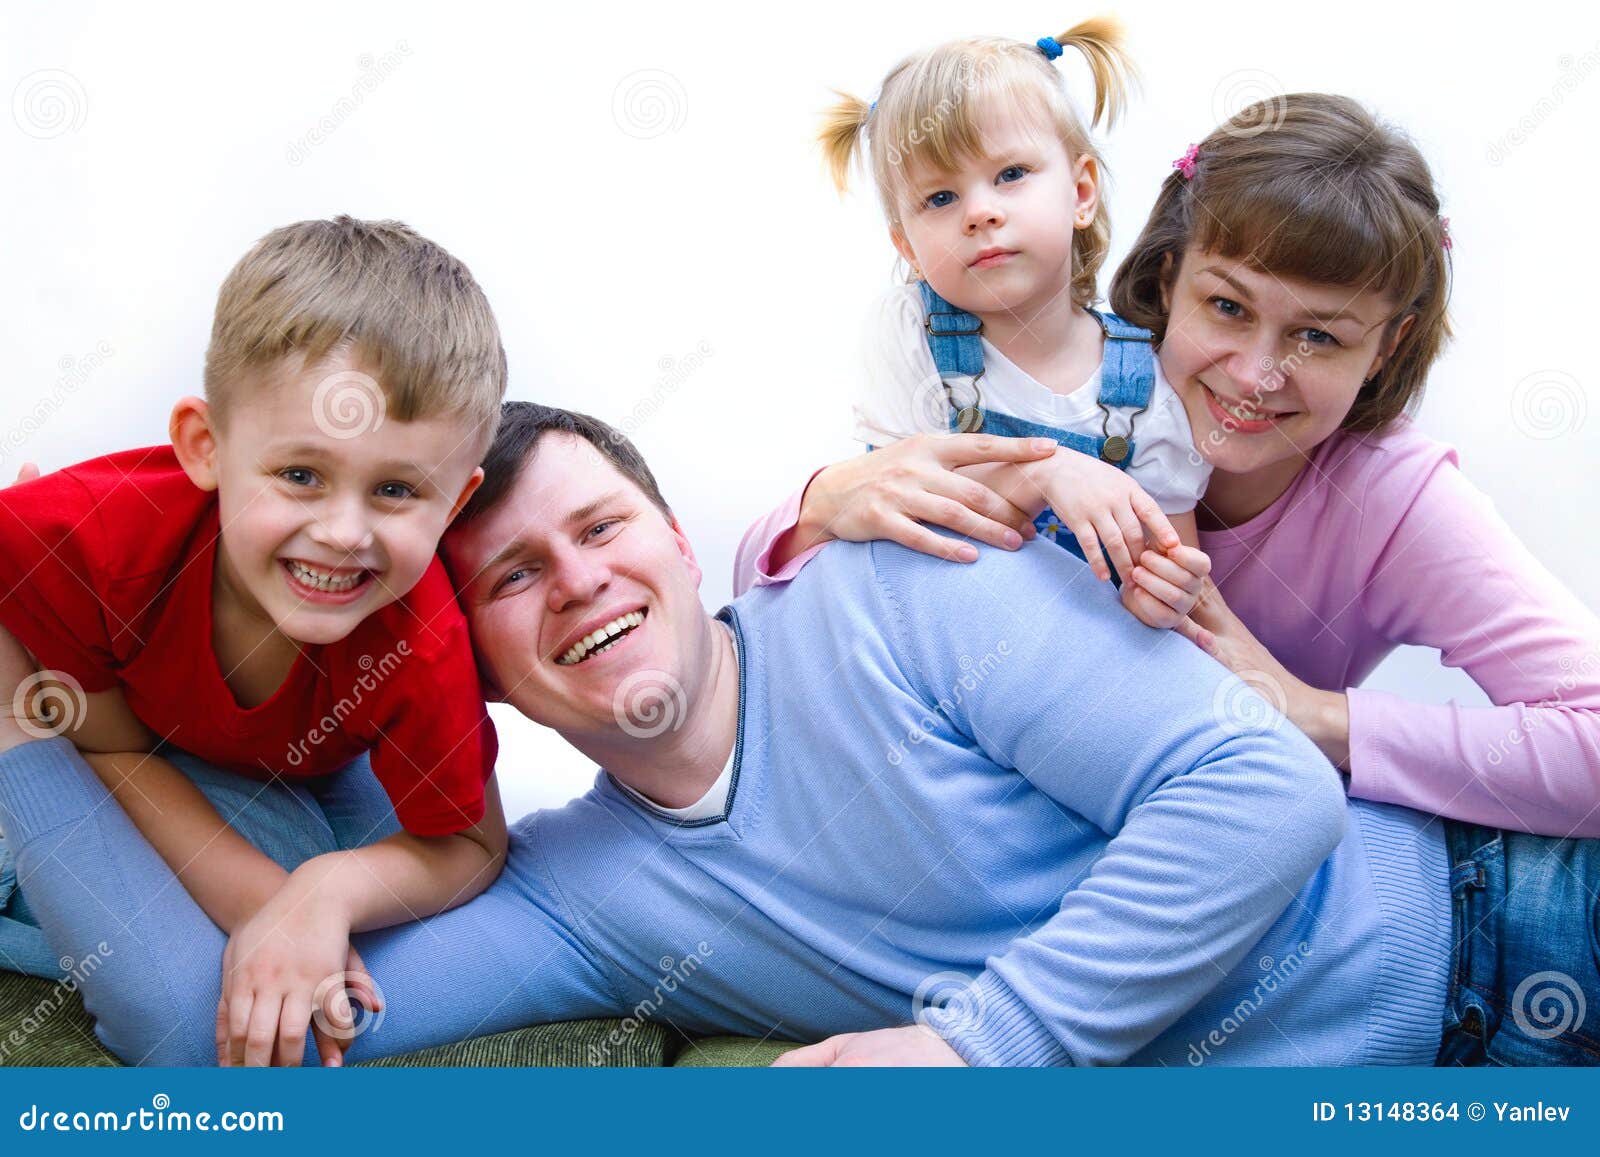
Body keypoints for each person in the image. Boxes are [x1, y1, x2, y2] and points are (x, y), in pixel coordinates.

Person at [3, 401, 1594, 1068]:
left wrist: (982, 1050)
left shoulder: (900, 593)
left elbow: (1260, 791)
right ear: (462, 659)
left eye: (603, 527)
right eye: (509, 582)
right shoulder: (584, 897)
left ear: (681, 536)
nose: (580, 585)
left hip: (1506, 913)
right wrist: (45, 717)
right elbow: (205, 1028)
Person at [738, 93, 1600, 842]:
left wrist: (1310, 714)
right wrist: (824, 501)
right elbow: (754, 620)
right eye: (1226, 306)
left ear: (1388, 346)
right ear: (1166, 275)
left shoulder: (1394, 500)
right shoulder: (1049, 382)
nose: (1256, 375)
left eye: (1319, 336)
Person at [0, 216, 509, 1067]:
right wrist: (269, 903)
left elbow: (472, 843)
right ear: (205, 446)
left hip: (200, 750)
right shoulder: (79, 543)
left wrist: (319, 896)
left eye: (395, 488)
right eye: (300, 474)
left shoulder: (418, 644)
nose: (344, 533)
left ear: (454, 504)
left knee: (333, 919)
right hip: (81, 716)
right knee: (206, 1003)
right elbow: (113, 750)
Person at [811, 18, 1212, 629]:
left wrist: (1165, 593)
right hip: (929, 645)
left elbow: (1172, 560)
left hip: (1079, 664)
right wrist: (1043, 473)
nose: (980, 213)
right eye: (939, 199)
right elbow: (906, 517)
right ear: (909, 248)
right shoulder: (909, 332)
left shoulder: (1147, 386)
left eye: (1010, 175)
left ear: (1081, 192)